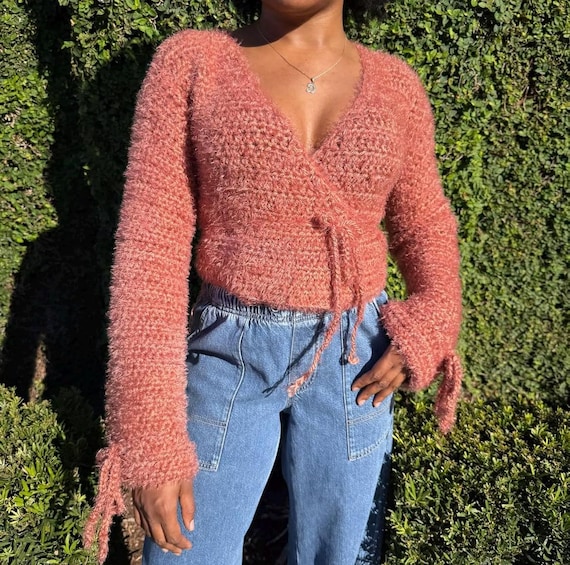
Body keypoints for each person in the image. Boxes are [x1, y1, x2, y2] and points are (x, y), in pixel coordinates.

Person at [82, 0, 463, 563]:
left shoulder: (395, 85)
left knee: (339, 554)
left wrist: (430, 324)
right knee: (187, 551)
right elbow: (150, 249)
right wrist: (149, 435)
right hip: (229, 352)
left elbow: (425, 225)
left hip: (354, 359)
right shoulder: (194, 64)